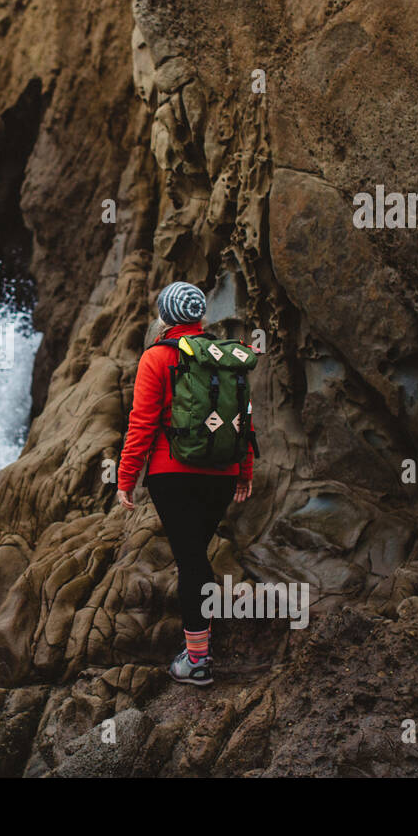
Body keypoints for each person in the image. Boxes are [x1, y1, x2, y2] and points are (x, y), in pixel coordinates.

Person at [116, 281, 254, 686]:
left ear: (164, 317)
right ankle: (196, 650)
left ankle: (196, 660)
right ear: (201, 317)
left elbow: (141, 423)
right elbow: (244, 418)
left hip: (171, 474)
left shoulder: (157, 357)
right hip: (222, 476)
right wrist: (243, 470)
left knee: (192, 561)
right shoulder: (227, 355)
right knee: (195, 557)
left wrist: (126, 477)